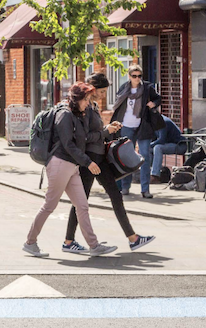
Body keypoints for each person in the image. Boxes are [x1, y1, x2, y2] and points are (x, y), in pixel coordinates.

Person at [63, 73, 155, 254]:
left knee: (115, 194)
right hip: (89, 161)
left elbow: (95, 132)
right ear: (93, 88)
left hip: (100, 158)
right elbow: (84, 137)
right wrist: (106, 131)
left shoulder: (93, 106)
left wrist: (109, 129)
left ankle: (133, 238)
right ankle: (68, 241)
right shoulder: (84, 108)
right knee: (80, 202)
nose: (104, 95)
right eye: (103, 91)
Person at [24, 82, 117, 258]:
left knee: (82, 206)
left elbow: (84, 138)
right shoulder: (64, 115)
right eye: (86, 99)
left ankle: (94, 245)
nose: (88, 103)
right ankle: (30, 242)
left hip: (72, 166)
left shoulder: (78, 114)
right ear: (77, 99)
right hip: (60, 164)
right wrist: (88, 162)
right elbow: (68, 145)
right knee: (49, 206)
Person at [111, 66, 162, 198]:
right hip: (126, 126)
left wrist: (153, 104)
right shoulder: (124, 88)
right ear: (129, 76)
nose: (137, 79)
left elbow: (158, 99)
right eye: (134, 76)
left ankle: (145, 189)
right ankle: (125, 187)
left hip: (142, 126)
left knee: (144, 156)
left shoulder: (147, 88)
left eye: (139, 76)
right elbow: (118, 104)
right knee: (127, 157)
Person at [151, 114, 185, 178]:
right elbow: (153, 139)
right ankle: (147, 172)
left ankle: (155, 175)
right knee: (146, 149)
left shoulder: (163, 122)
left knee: (158, 148)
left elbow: (161, 140)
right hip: (169, 144)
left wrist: (149, 145)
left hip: (179, 145)